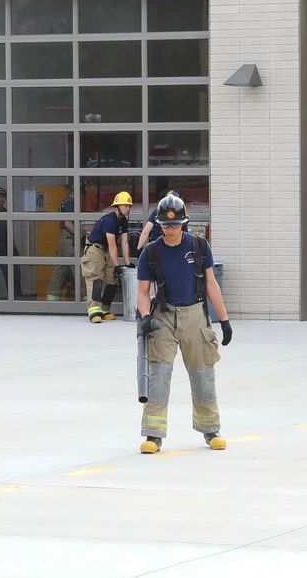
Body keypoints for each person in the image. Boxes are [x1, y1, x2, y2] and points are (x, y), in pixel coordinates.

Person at [134, 193, 232, 453]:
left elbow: (211, 284)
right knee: (158, 375)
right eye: (165, 225)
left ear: (183, 223)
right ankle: (153, 435)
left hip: (195, 315)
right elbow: (142, 292)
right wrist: (146, 317)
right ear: (159, 225)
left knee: (203, 374)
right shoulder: (151, 252)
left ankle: (211, 430)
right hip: (164, 317)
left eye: (175, 224)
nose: (170, 229)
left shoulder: (199, 246)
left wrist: (224, 319)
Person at [79, 190, 135, 323]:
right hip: (95, 249)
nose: (128, 208)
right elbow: (112, 244)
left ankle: (104, 309)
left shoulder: (123, 221)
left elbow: (124, 242)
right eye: (125, 205)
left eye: (129, 206)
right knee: (96, 278)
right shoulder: (110, 220)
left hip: (106, 250)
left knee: (112, 279)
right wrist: (116, 264)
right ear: (117, 206)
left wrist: (127, 263)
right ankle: (94, 311)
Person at [47, 190, 78, 300]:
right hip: (70, 238)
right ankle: (86, 295)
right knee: (79, 267)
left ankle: (52, 296)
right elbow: (68, 222)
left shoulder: (64, 202)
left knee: (60, 268)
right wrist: (79, 234)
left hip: (64, 239)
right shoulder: (70, 203)